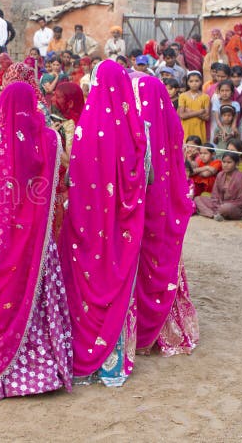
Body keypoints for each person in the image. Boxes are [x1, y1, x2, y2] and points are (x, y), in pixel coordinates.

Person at [0, 81, 72, 399]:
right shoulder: (46, 139)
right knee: (34, 294)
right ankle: (39, 370)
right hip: (34, 236)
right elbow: (59, 174)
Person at [59, 60, 147, 387]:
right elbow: (145, 177)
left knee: (84, 282)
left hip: (85, 226)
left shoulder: (84, 126)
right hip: (120, 227)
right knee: (115, 279)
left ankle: (80, 355)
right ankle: (112, 362)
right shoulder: (135, 130)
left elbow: (73, 178)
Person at [135, 74, 198, 356]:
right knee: (162, 259)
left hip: (142, 207)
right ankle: (161, 326)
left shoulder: (137, 129)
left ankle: (138, 329)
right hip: (163, 207)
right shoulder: (169, 128)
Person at [195, 151, 242, 221]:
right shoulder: (220, 175)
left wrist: (223, 205)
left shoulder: (240, 177)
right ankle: (213, 215)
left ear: (236, 164)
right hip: (218, 204)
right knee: (197, 199)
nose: (225, 165)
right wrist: (217, 204)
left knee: (225, 208)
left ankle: (213, 212)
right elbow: (214, 194)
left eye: (229, 162)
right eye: (224, 162)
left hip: (233, 207)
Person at [178, 71, 210, 142]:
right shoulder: (182, 96)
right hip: (186, 129)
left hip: (199, 129)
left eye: (197, 81)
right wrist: (199, 112)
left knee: (199, 146)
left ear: (201, 82)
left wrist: (190, 112)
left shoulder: (205, 97)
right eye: (191, 81)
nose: (194, 83)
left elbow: (207, 117)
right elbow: (182, 115)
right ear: (187, 83)